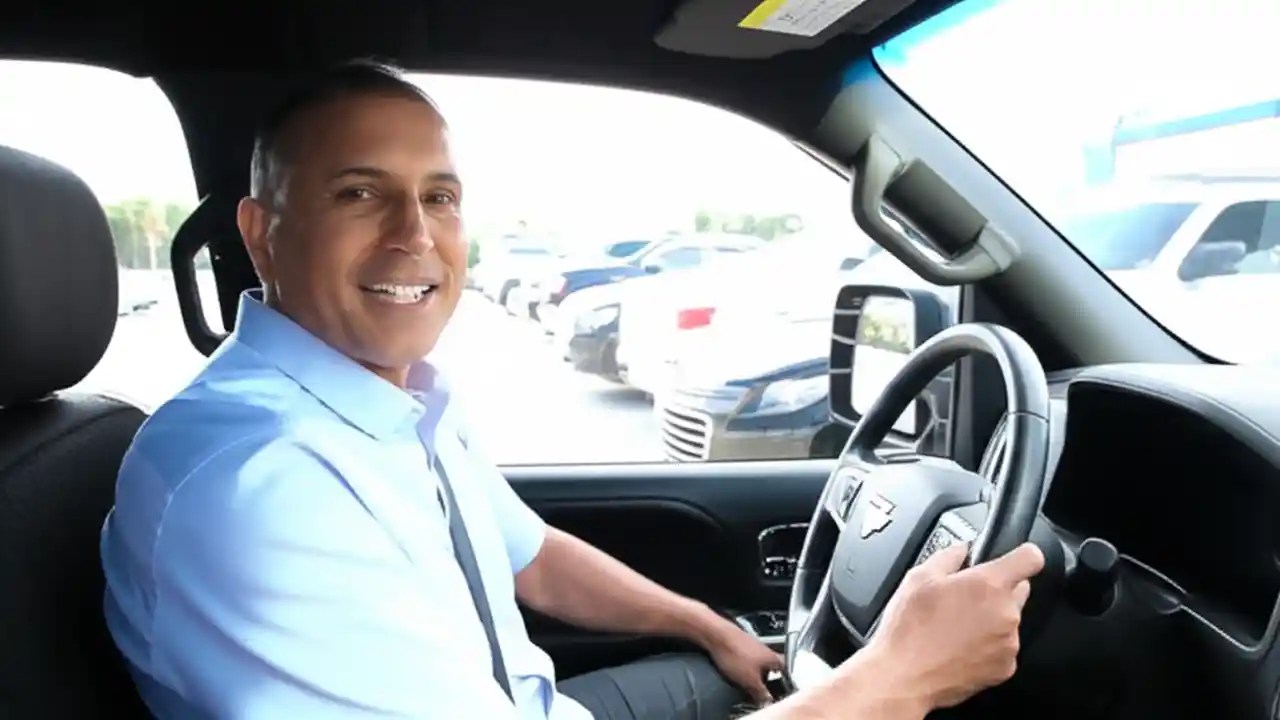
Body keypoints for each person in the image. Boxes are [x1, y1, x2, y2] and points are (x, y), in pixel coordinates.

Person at [99, 59, 1046, 720]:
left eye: (439, 197)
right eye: (359, 193)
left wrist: (707, 625)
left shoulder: (386, 399)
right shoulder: (261, 486)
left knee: (749, 677)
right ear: (261, 235)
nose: (415, 234)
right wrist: (897, 680)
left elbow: (534, 558)